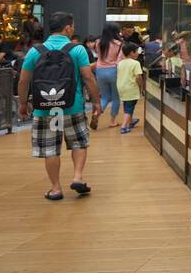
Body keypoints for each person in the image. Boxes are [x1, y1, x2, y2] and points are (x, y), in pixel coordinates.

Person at [17, 11, 101, 201]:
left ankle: (55, 189)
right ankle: (77, 176)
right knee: (79, 142)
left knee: (50, 149)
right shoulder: (77, 50)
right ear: (68, 28)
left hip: (45, 108)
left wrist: (23, 103)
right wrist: (96, 101)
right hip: (73, 106)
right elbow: (88, 77)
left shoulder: (35, 51)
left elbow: (23, 82)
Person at [92, 22, 125, 129]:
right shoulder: (119, 44)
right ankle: (112, 121)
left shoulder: (98, 42)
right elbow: (120, 60)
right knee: (116, 97)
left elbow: (98, 56)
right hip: (114, 71)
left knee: (105, 96)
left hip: (100, 70)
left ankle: (97, 114)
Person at [116, 42, 145, 134]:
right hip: (131, 88)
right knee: (129, 107)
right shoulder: (135, 63)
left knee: (127, 105)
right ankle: (124, 126)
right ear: (132, 53)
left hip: (121, 87)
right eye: (136, 51)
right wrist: (142, 86)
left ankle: (130, 122)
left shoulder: (120, 63)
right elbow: (138, 77)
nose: (138, 53)